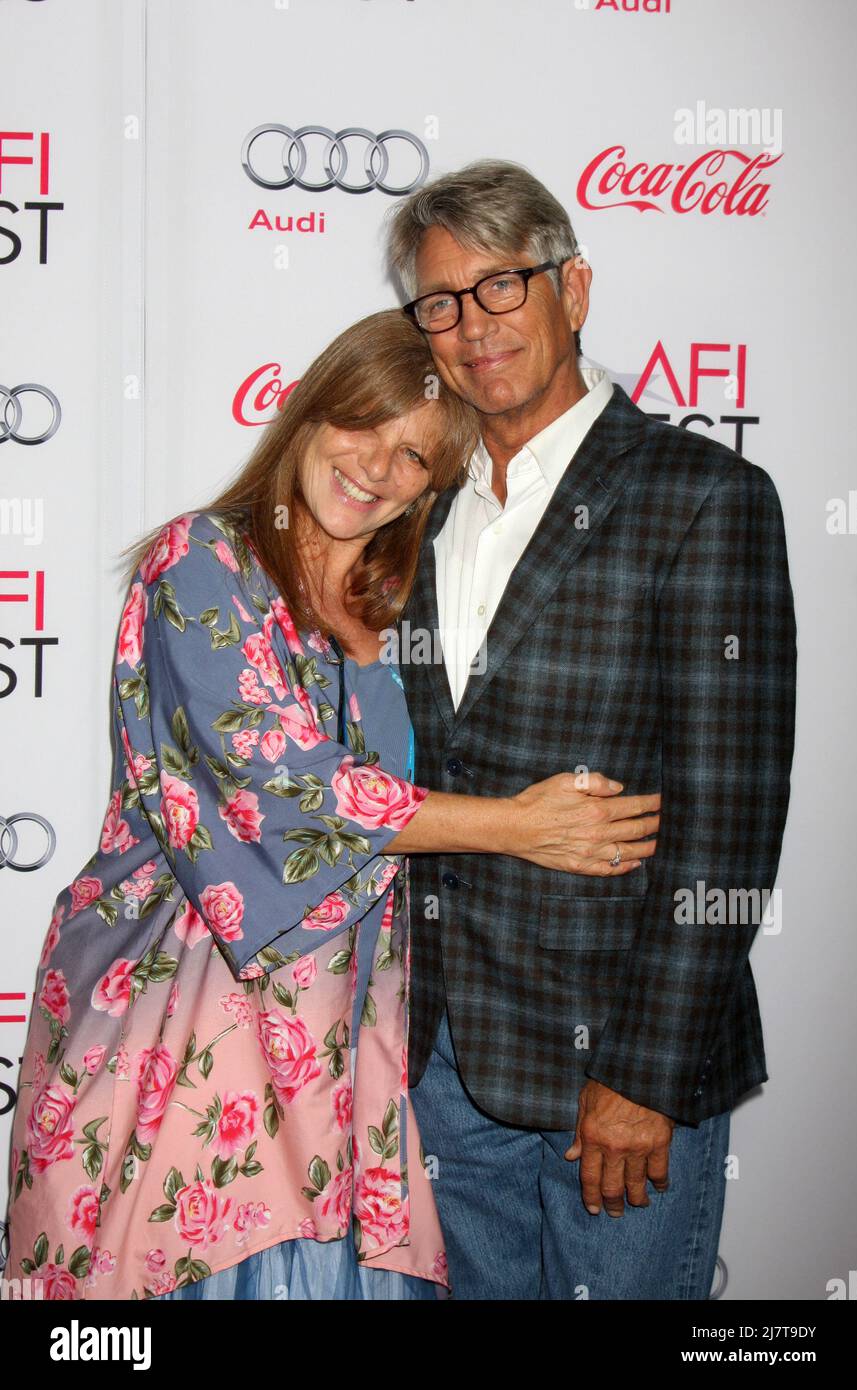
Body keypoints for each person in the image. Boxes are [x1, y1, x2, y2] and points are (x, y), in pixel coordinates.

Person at [3, 309, 660, 1301]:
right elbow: (283, 783)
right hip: (173, 1052)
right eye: (365, 425)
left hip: (339, 1068)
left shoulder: (402, 608)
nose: (376, 469)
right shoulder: (201, 562)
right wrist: (519, 825)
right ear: (312, 407)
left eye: (414, 458)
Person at [385, 160, 797, 1300]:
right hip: (439, 1060)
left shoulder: (700, 495)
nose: (472, 326)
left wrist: (645, 1078)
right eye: (439, 302)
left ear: (573, 287)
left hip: (611, 1072)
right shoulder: (412, 503)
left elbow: (728, 822)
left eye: (501, 286)